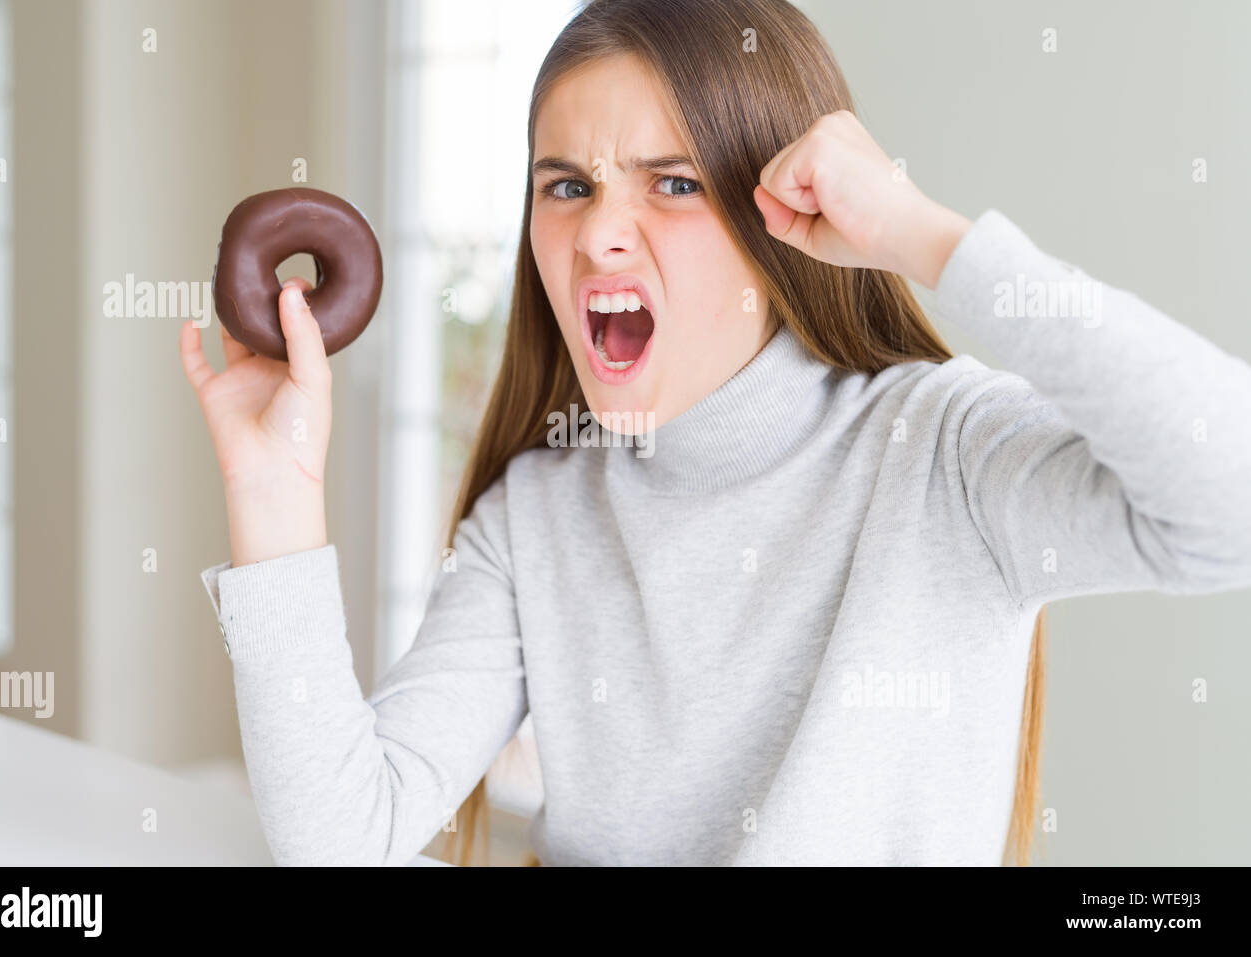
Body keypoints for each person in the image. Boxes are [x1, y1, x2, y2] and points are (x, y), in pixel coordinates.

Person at [179, 0, 1251, 866]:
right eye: (565, 185)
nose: (598, 232)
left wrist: (920, 235)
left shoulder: (940, 454)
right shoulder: (536, 518)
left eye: (675, 184)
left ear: (784, 224)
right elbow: (340, 838)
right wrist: (276, 497)